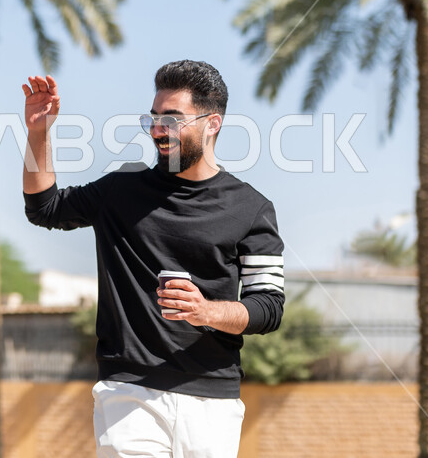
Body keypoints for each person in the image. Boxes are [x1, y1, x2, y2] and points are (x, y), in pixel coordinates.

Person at [22, 60, 285, 458]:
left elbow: (269, 307)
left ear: (212, 124)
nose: (159, 129)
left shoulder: (252, 208)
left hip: (213, 400)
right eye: (154, 117)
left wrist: (206, 312)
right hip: (128, 392)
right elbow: (44, 207)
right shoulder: (119, 191)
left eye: (173, 118)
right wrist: (38, 132)